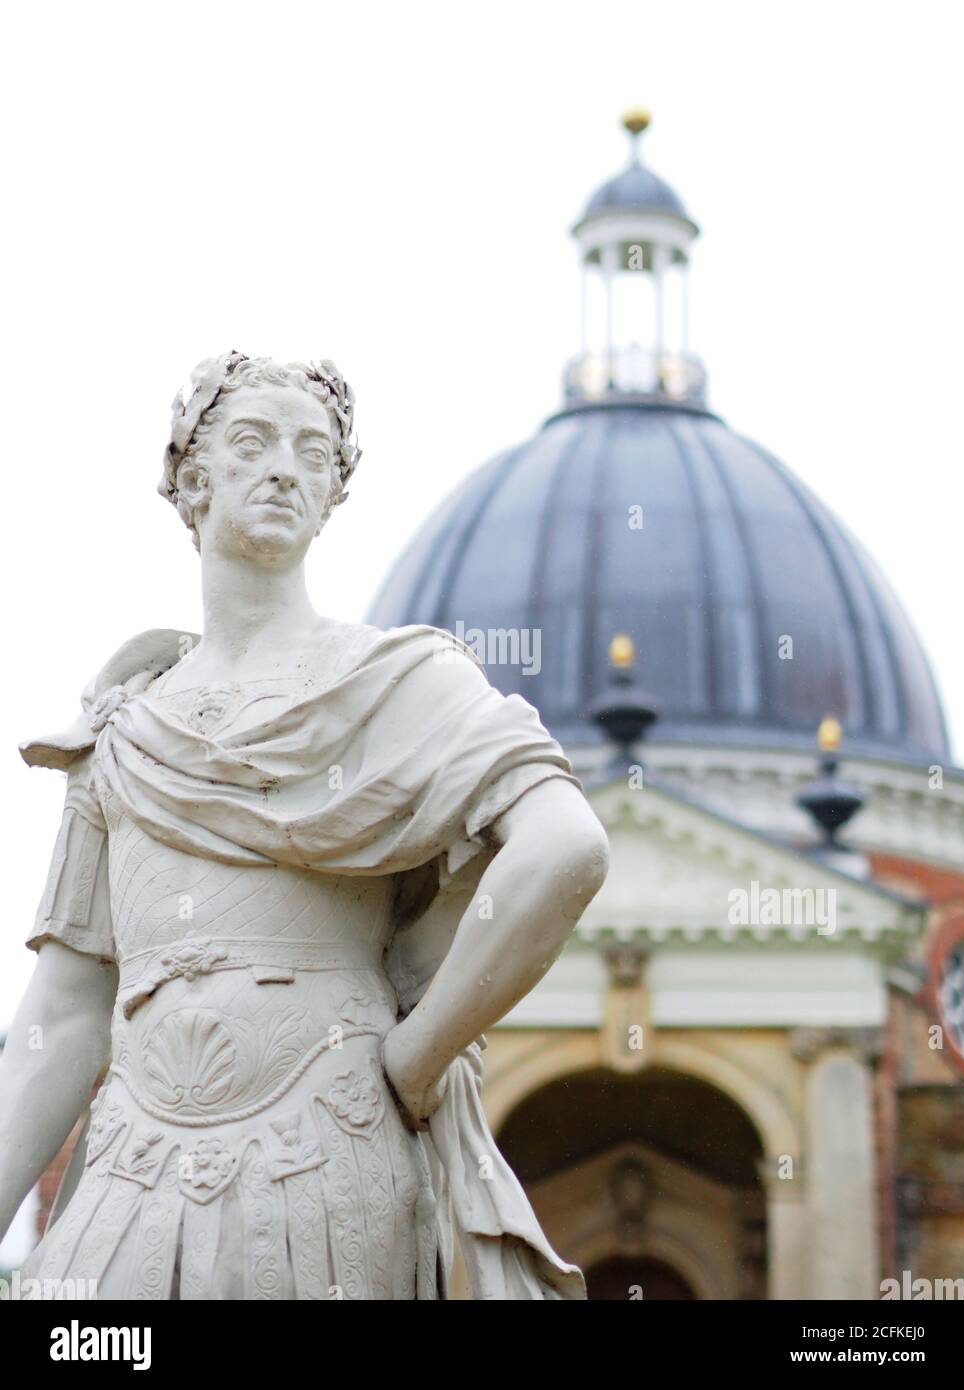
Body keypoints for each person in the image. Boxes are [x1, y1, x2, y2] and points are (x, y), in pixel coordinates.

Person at [0, 353, 609, 1299]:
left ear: (333, 492)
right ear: (191, 479)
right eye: (253, 442)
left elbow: (564, 847)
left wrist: (417, 1058)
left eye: (312, 451)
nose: (285, 466)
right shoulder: (123, 727)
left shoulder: (395, 685)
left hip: (322, 1150)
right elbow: (64, 1013)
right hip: (130, 1158)